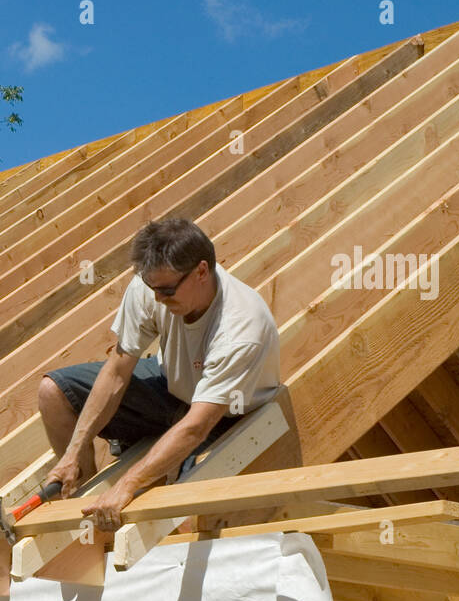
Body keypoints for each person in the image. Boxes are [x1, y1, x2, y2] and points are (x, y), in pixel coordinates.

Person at [39, 217, 280, 533]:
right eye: (152, 288)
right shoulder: (152, 285)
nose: (157, 299)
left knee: (180, 516)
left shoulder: (240, 327)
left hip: (228, 413)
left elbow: (196, 426)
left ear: (201, 271)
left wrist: (128, 484)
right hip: (172, 386)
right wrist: (72, 452)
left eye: (167, 290)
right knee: (52, 392)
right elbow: (116, 371)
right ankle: (84, 504)